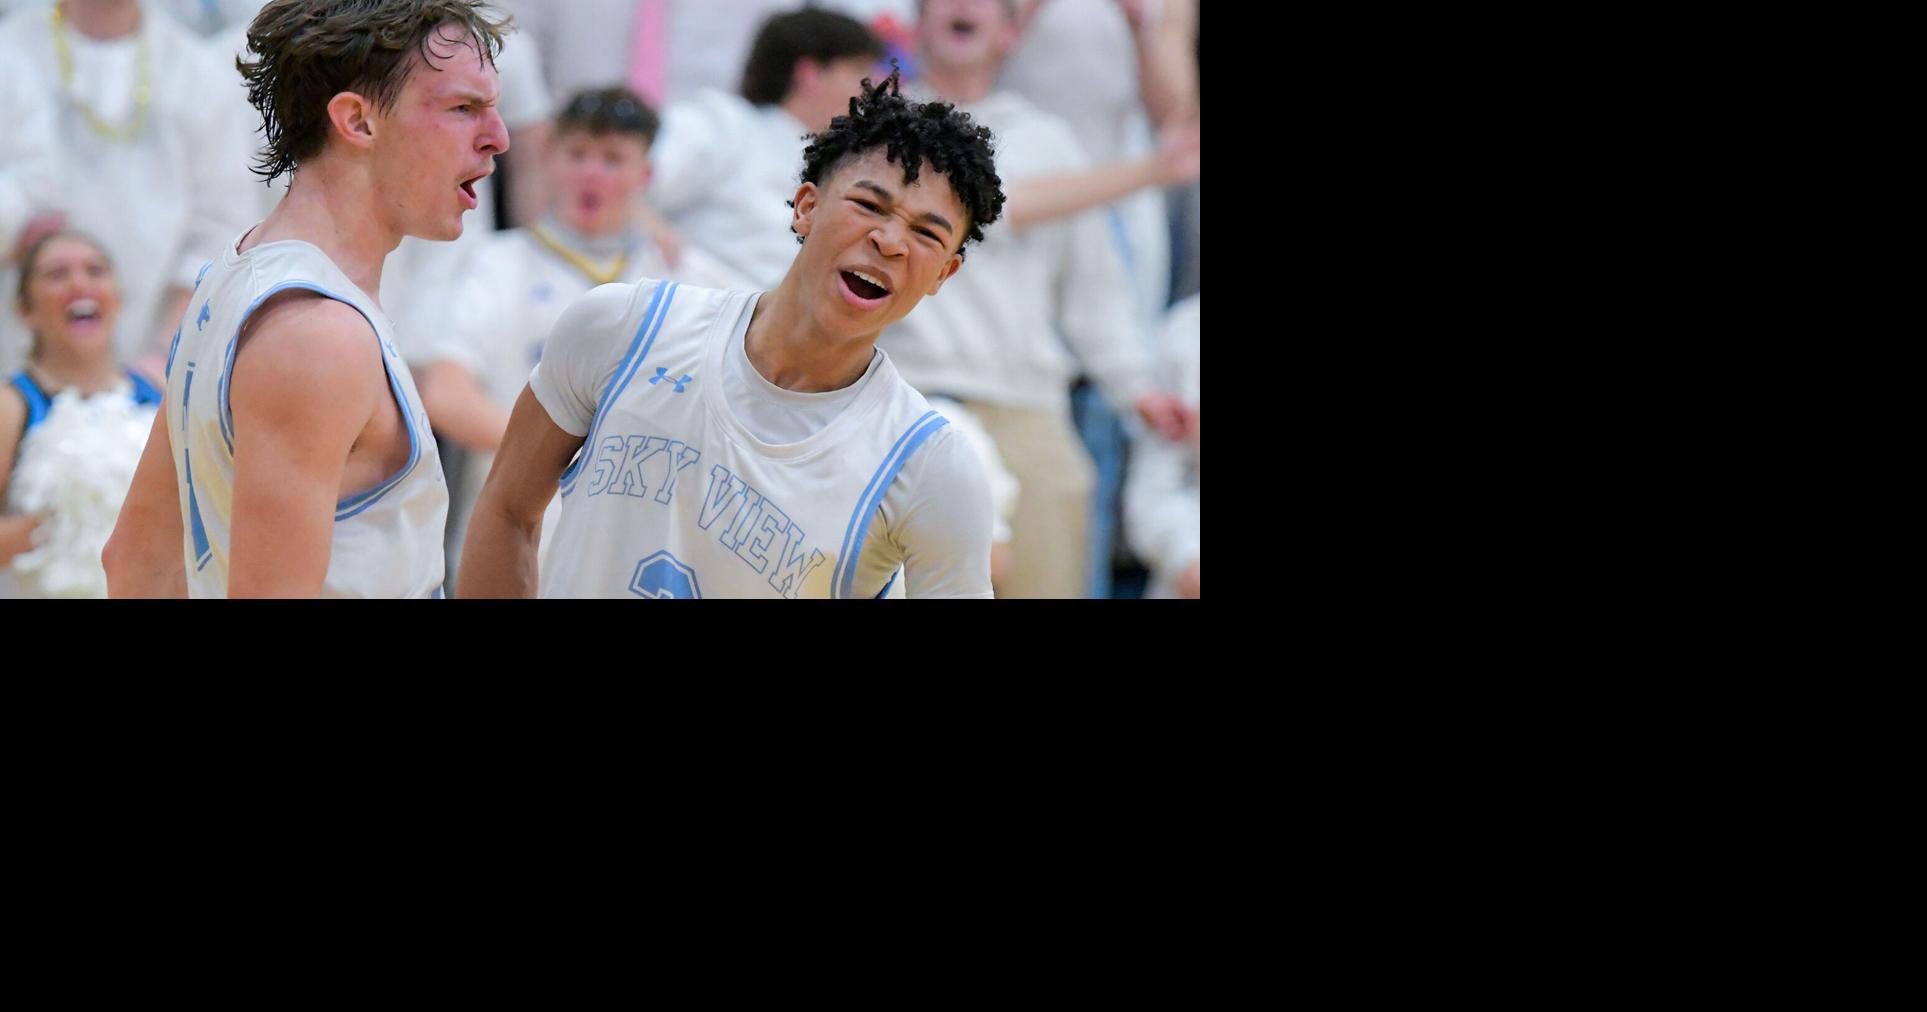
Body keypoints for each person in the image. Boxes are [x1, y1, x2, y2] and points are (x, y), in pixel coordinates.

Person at [458, 69, 1001, 599]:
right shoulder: (622, 324)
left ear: (944, 274)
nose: (889, 241)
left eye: (926, 233)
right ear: (807, 207)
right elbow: (508, 509)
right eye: (868, 205)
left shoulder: (930, 463)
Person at [102, 0, 513, 597]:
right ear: (358, 121)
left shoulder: (230, 275)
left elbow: (135, 560)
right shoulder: (319, 335)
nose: (497, 138)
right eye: (463, 108)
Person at [875, 0, 1190, 598]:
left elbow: (1093, 291)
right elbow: (991, 203)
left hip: (1030, 407)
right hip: (902, 397)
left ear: (1013, 32)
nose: (964, 6)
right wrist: (1152, 169)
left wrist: (1138, 390)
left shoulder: (1049, 139)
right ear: (918, 19)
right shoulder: (877, 126)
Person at [415, 84, 743, 587]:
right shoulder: (496, 263)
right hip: (520, 539)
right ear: (549, 159)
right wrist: (564, 451)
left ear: (646, 174)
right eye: (578, 154)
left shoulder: (687, 275)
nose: (592, 173)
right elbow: (445, 393)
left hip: (648, 552)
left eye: (613, 159)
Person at [644, 8, 886, 288]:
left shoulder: (849, 170)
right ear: (810, 73)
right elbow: (626, 182)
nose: (874, 88)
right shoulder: (723, 123)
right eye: (860, 71)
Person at [2, 232, 162, 597]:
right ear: (26, 309)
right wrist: (57, 530)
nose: (79, 284)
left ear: (118, 298)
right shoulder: (12, 405)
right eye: (57, 274)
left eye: (95, 271)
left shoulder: (158, 393)